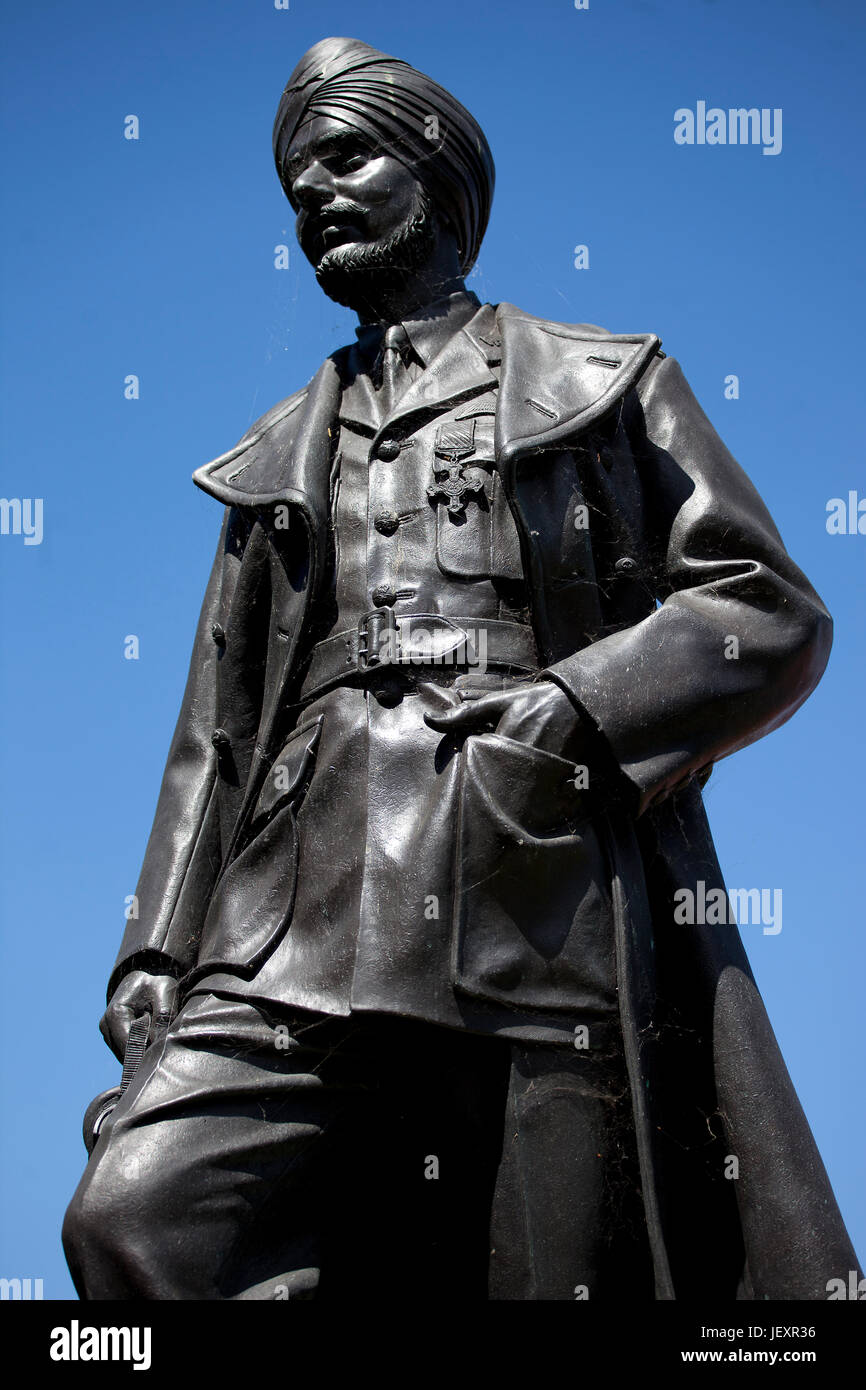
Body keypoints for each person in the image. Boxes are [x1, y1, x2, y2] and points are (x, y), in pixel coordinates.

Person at [63, 36, 860, 1301]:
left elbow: (763, 606)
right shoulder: (275, 457)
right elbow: (213, 738)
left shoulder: (601, 383)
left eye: (343, 160)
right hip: (287, 916)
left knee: (542, 1273)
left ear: (429, 173)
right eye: (293, 188)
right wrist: (153, 954)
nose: (312, 199)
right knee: (134, 1216)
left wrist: (567, 709)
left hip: (525, 881)